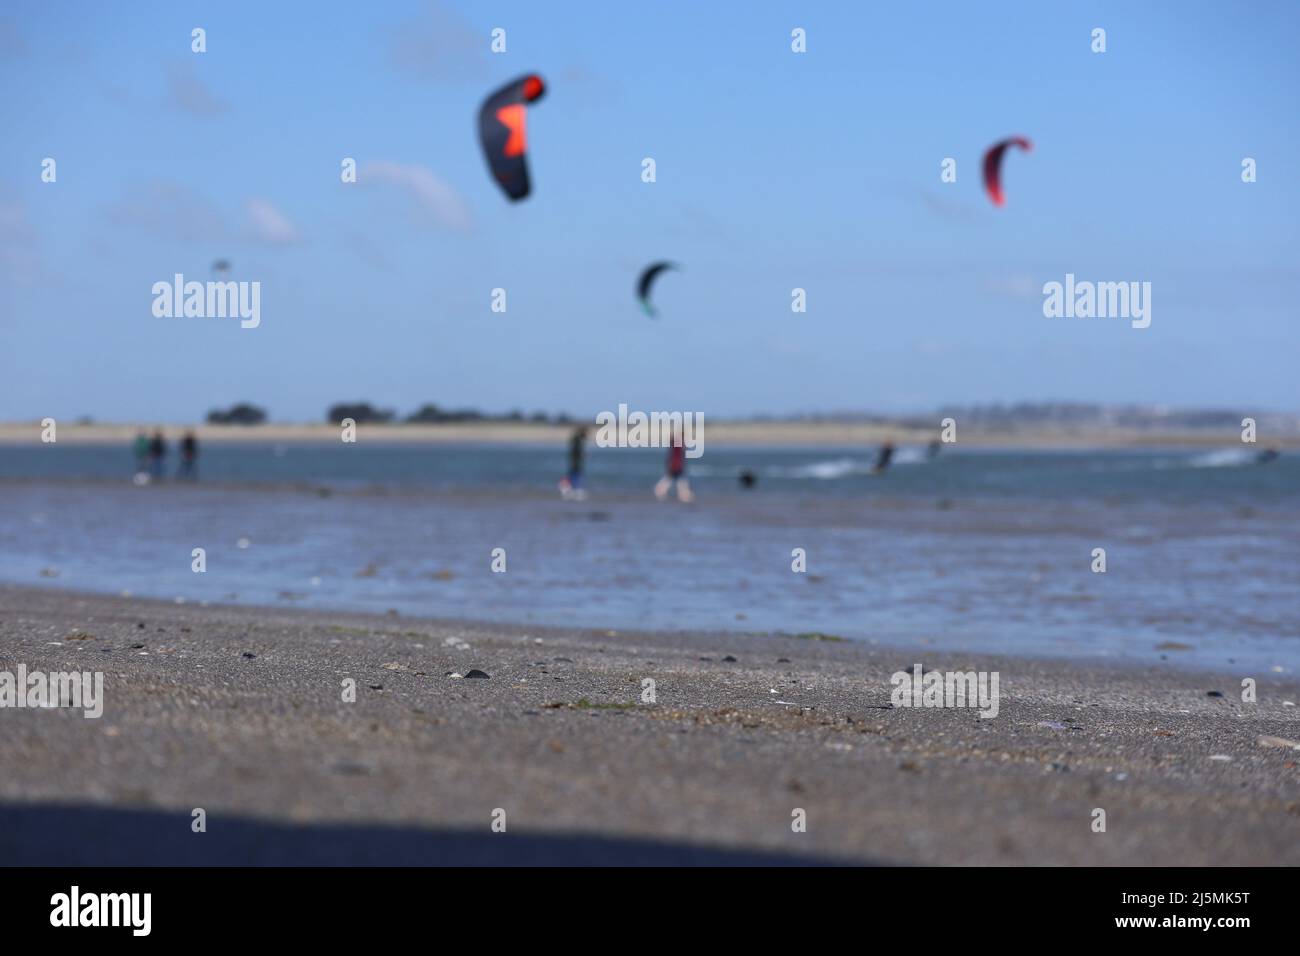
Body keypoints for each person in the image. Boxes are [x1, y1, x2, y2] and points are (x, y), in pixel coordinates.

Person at [654, 430, 694, 502]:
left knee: (675, 481)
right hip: (675, 465)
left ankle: (660, 491)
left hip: (675, 465)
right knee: (677, 481)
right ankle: (684, 495)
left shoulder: (678, 443)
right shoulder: (678, 444)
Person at [559, 426, 588, 500]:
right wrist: (582, 455)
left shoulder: (576, 440)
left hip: (574, 462)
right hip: (576, 463)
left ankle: (570, 489)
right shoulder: (578, 441)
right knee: (575, 476)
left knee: (573, 475)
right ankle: (573, 490)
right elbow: (577, 452)